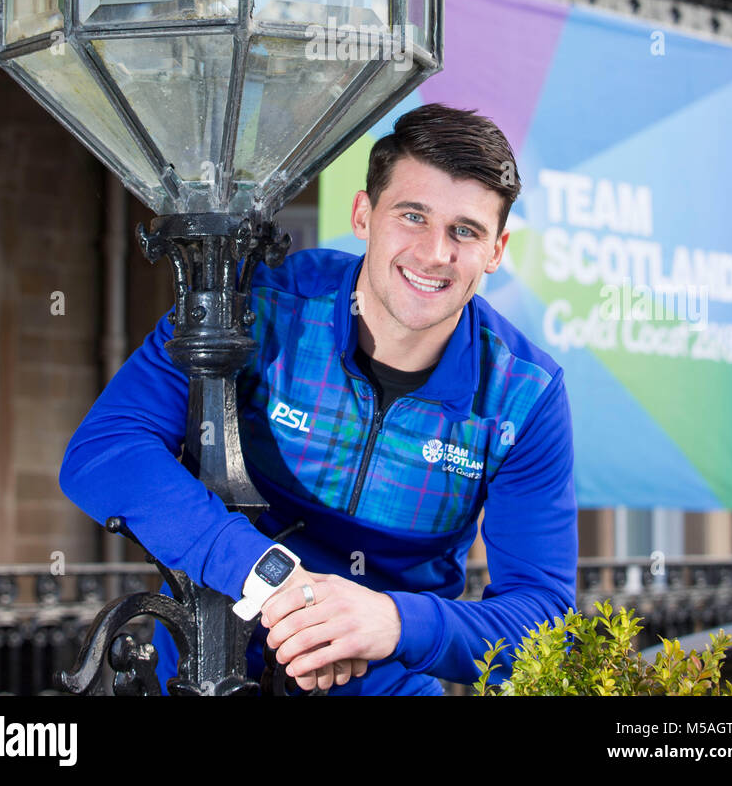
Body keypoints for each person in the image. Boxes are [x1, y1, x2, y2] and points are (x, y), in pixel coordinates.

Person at [59, 102, 578, 696]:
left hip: (385, 682)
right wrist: (268, 576)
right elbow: (105, 451)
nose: (437, 253)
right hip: (213, 667)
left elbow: (545, 619)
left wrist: (396, 622)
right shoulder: (261, 302)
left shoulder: (525, 394)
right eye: (413, 216)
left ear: (496, 250)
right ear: (364, 214)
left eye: (465, 230)